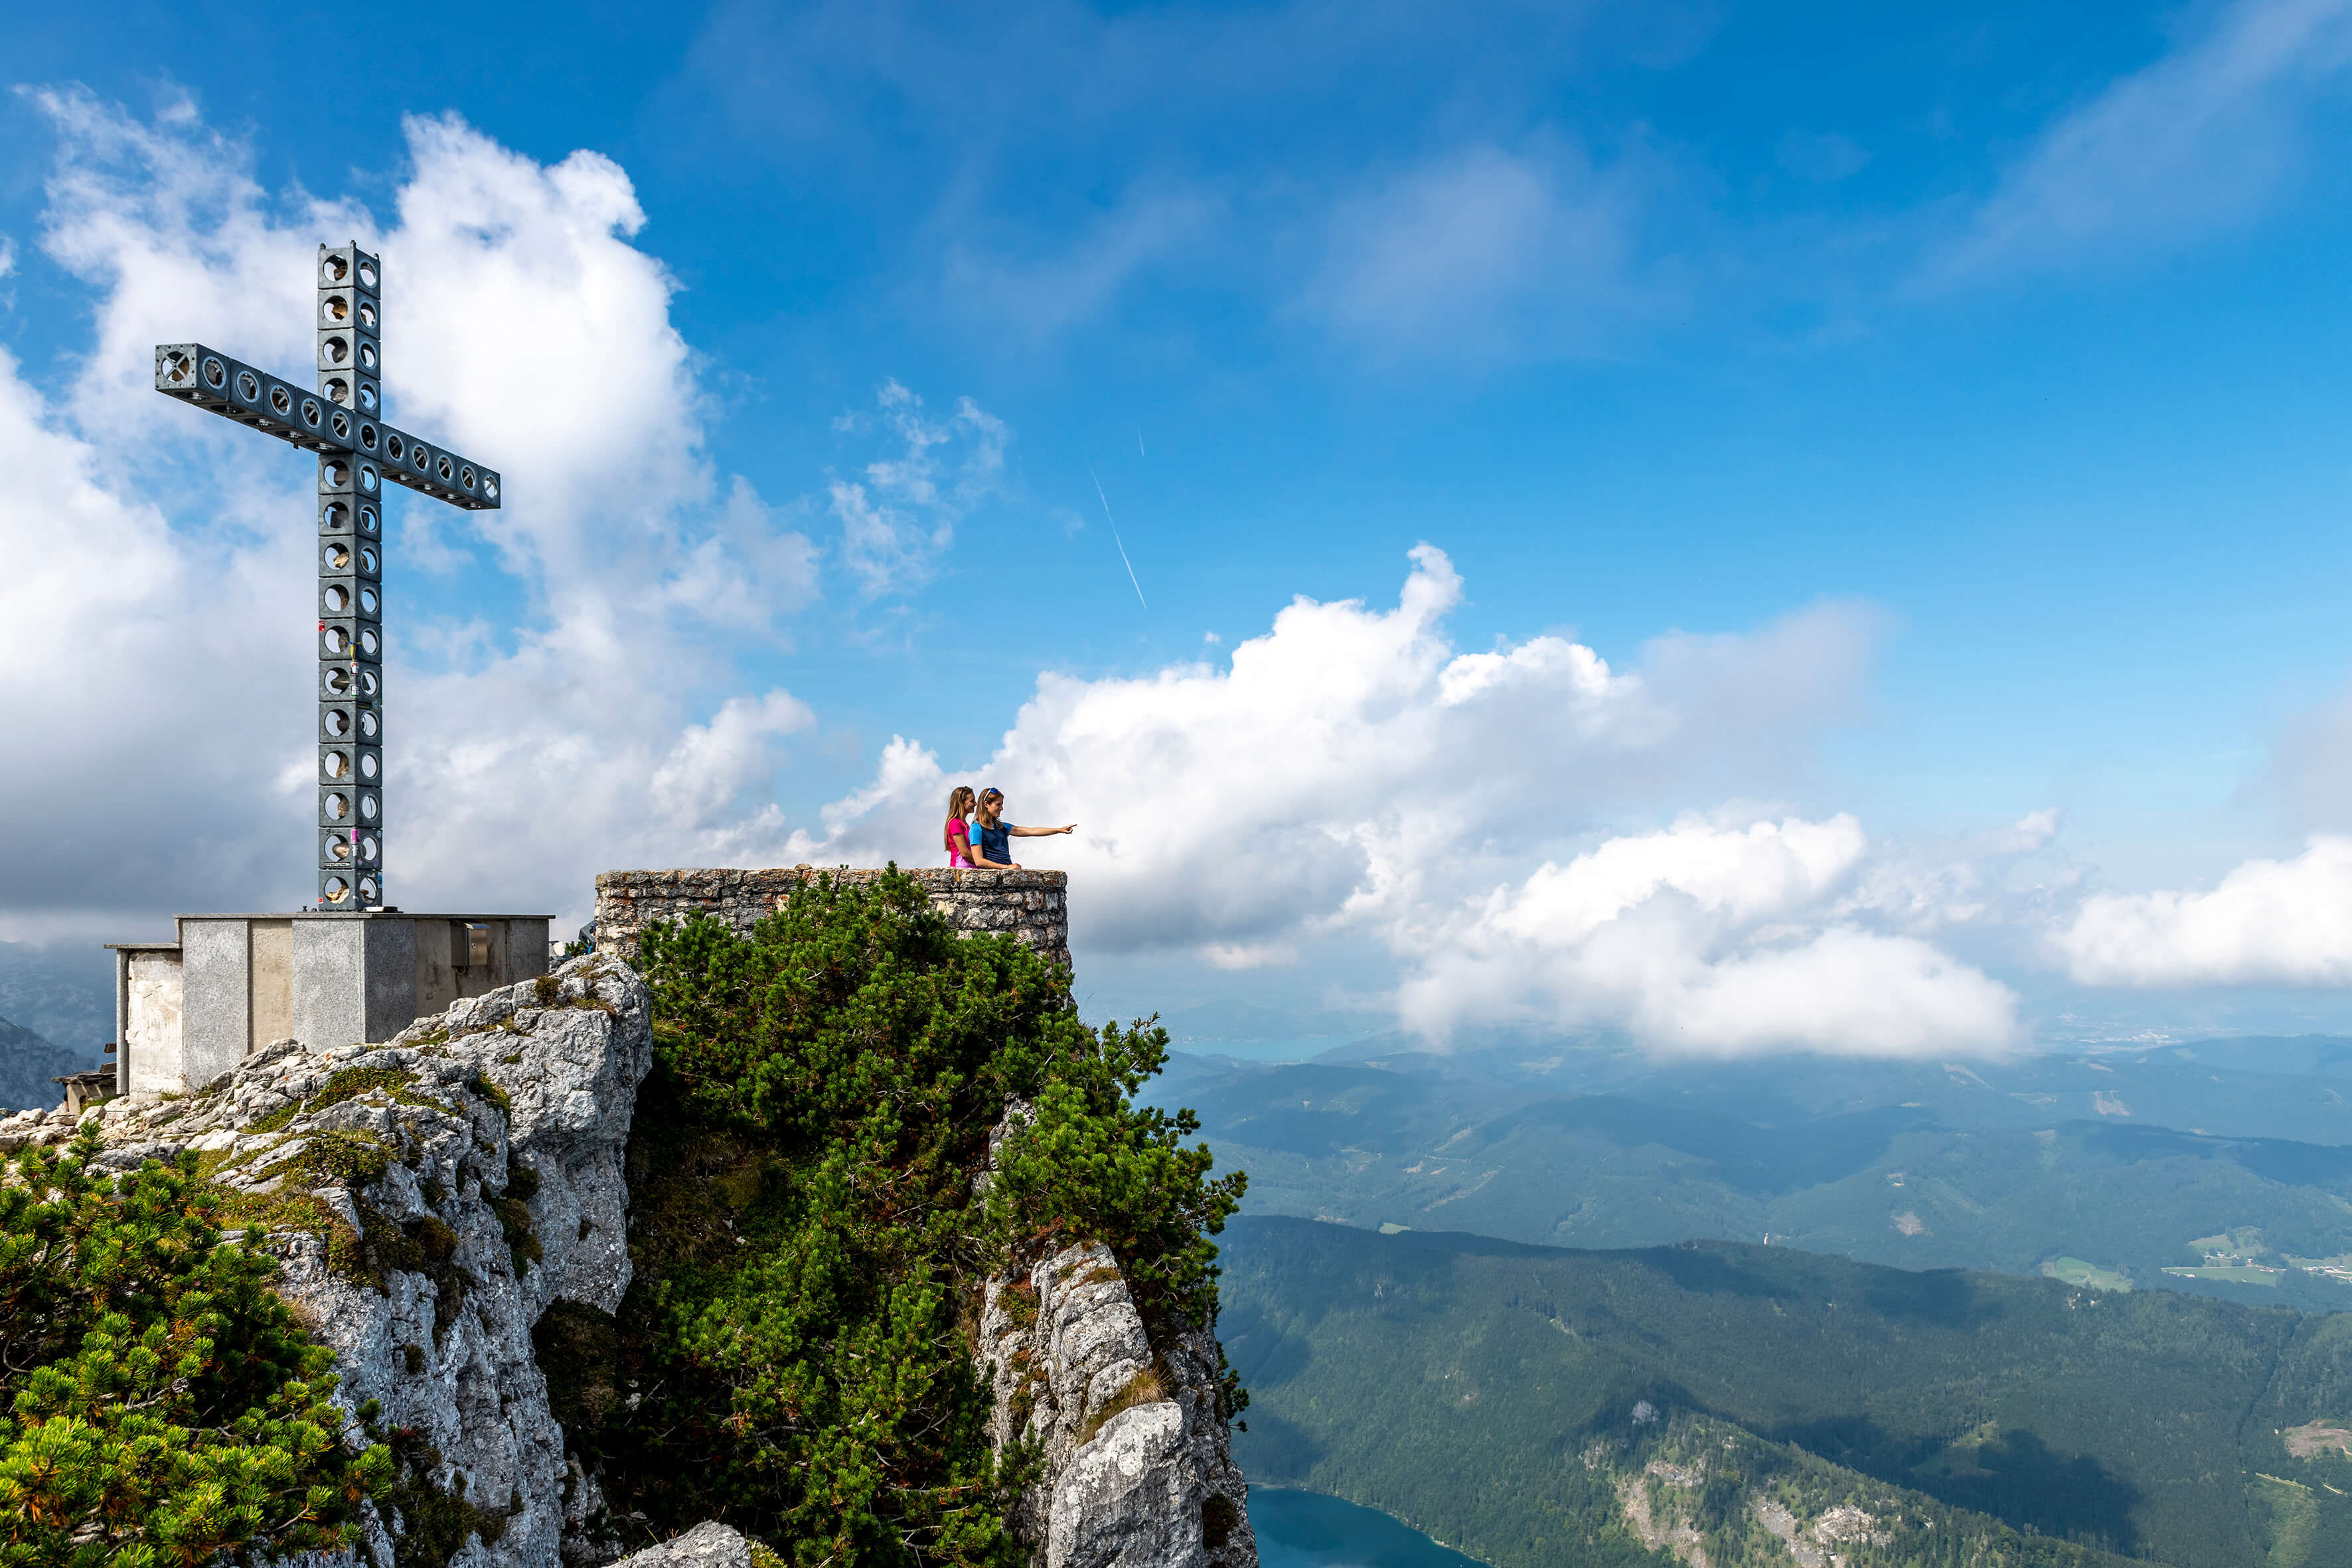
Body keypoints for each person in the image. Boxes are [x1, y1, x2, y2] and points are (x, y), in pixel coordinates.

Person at [967, 787, 1073, 870]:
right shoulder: (976, 829)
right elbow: (979, 861)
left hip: (1007, 871)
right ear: (986, 804)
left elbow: (1031, 831)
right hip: (996, 874)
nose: (1001, 808)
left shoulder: (1002, 827)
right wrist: (1006, 867)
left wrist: (1059, 830)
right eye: (998, 804)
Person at [944, 785, 977, 868]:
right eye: (972, 801)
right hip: (961, 868)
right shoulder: (955, 823)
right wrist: (982, 862)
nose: (975, 804)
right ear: (961, 803)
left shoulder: (964, 824)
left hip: (970, 868)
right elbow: (965, 853)